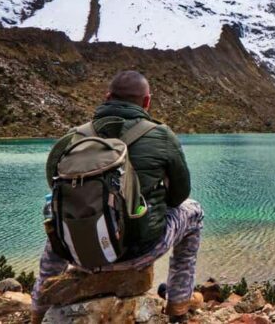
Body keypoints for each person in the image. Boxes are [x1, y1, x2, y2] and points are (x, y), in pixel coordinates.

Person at [30, 71, 202, 324]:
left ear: (107, 97)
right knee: (194, 211)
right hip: (139, 251)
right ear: (146, 102)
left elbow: (56, 191)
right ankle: (178, 307)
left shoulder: (72, 138)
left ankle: (38, 309)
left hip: (79, 254)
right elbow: (179, 196)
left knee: (61, 217)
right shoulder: (162, 136)